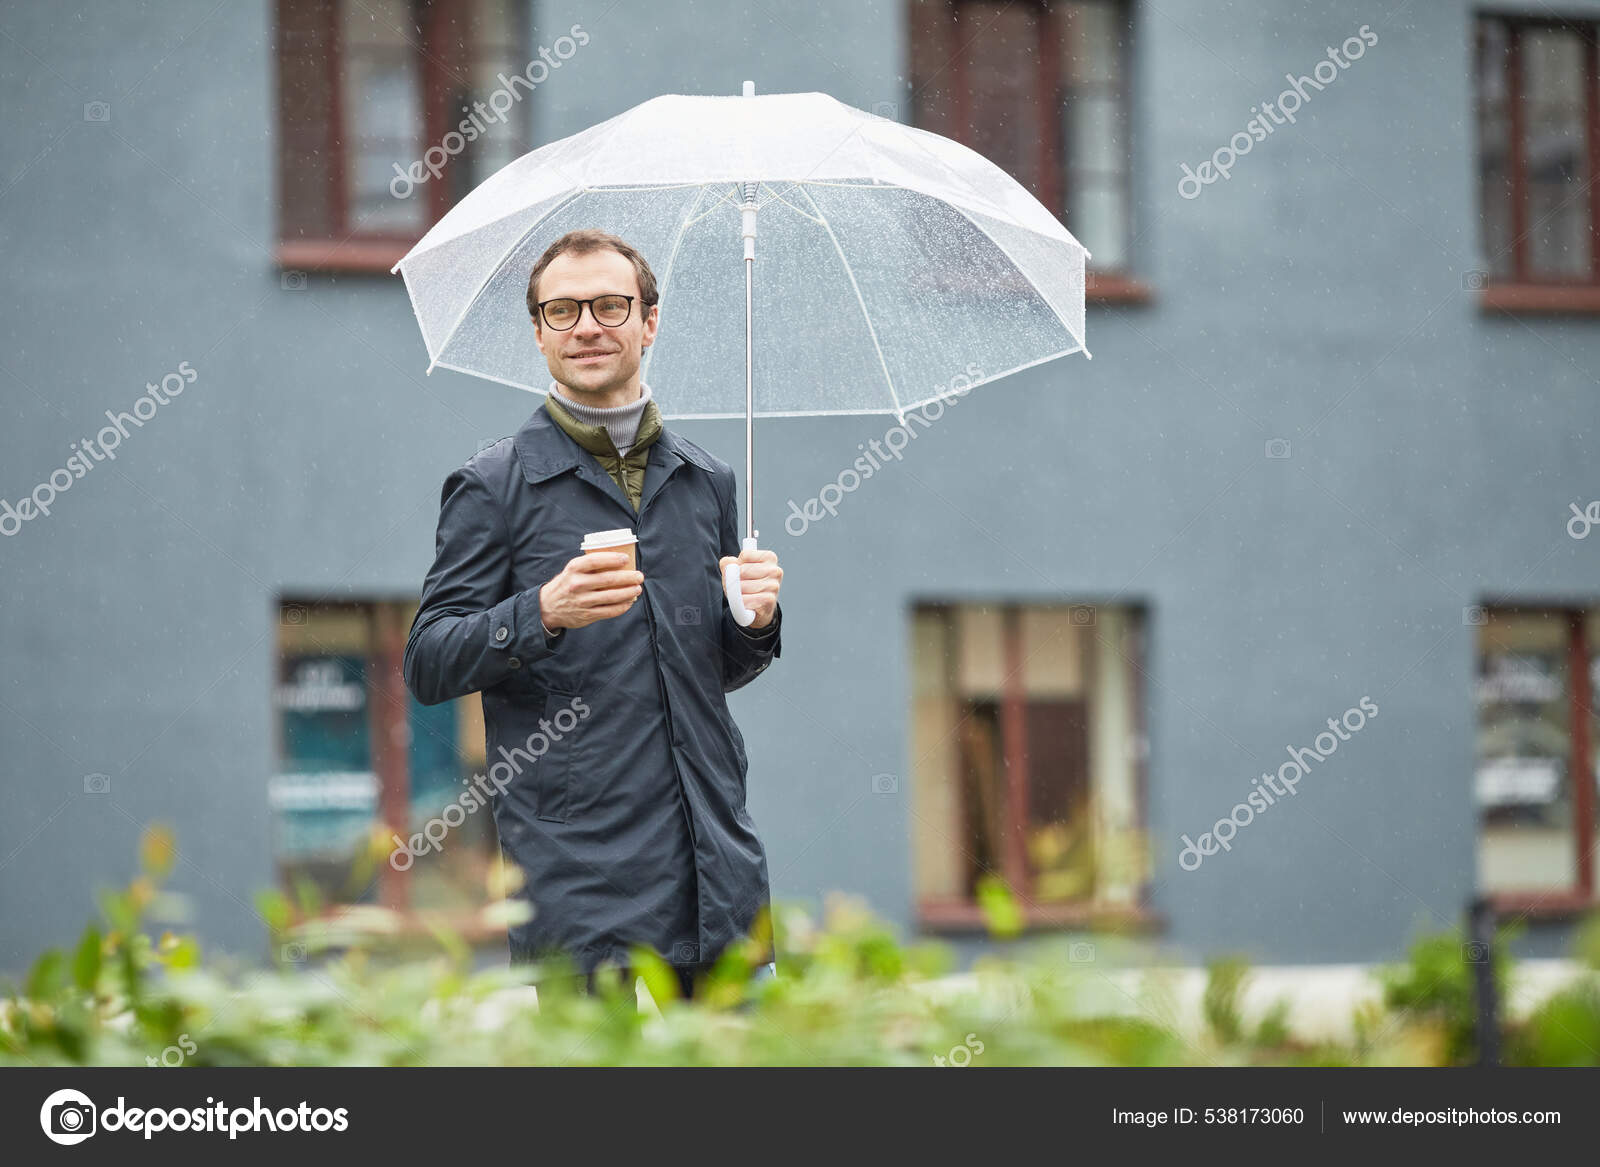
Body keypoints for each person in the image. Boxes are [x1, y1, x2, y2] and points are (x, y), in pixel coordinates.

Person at [403, 228, 784, 1002]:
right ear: (538, 333)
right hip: (579, 878)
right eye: (562, 310)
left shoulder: (705, 480)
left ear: (649, 321)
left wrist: (753, 622)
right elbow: (429, 659)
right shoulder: (494, 485)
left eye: (610, 305)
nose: (586, 325)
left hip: (716, 863)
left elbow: (706, 675)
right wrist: (542, 610)